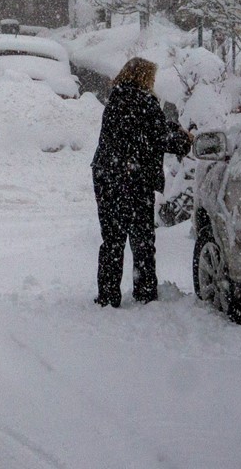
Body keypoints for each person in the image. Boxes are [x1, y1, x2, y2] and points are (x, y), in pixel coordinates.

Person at [91, 57, 192, 307]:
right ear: (144, 78)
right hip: (135, 179)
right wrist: (184, 139)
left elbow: (145, 129)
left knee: (112, 239)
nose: (154, 83)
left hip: (107, 176)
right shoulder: (145, 102)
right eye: (152, 78)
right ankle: (145, 291)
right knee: (142, 238)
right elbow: (160, 136)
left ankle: (108, 294)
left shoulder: (115, 99)